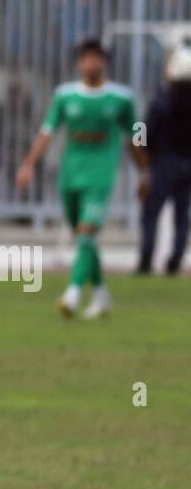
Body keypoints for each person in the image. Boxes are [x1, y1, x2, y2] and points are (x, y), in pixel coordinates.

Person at [16, 38, 148, 319]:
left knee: (87, 232)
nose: (92, 63)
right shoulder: (65, 95)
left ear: (104, 62)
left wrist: (144, 173)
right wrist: (28, 164)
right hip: (71, 173)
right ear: (79, 62)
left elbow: (134, 136)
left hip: (101, 174)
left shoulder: (121, 98)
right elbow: (47, 132)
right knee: (84, 239)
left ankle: (72, 295)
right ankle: (101, 295)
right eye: (87, 58)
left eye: (97, 58)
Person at [137, 47, 191, 276]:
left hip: (163, 163)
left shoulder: (161, 100)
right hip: (188, 164)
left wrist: (138, 146)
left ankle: (146, 259)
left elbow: (143, 130)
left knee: (151, 213)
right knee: (182, 215)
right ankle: (175, 261)